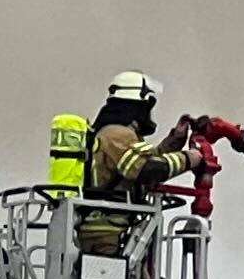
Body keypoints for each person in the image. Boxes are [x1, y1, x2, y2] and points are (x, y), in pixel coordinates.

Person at [82, 72, 199, 201]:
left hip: (114, 217)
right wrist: (189, 158)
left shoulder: (117, 133)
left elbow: (148, 159)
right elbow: (145, 169)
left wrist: (175, 140)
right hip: (108, 218)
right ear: (139, 105)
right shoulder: (116, 133)